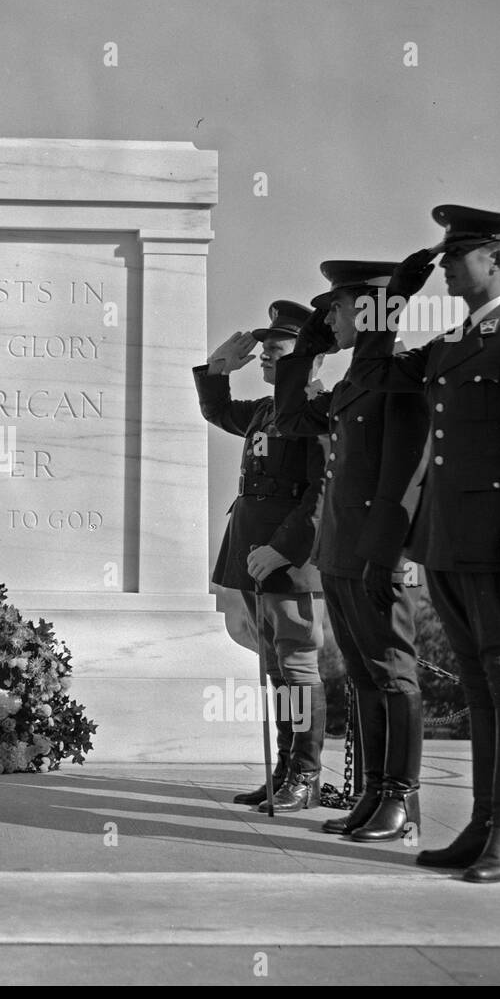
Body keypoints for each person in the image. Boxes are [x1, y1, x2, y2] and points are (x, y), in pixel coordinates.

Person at [348, 206, 500, 882]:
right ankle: (483, 823)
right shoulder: (451, 346)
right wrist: (393, 299)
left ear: (498, 261)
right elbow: (370, 376)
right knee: (480, 687)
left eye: (458, 255)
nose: (445, 266)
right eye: (444, 258)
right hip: (447, 544)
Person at [274, 261, 429, 841]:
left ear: (368, 310)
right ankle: (373, 792)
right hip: (339, 552)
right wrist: (305, 352)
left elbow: (408, 473)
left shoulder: (396, 374)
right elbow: (290, 417)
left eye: (334, 309)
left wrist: (390, 552)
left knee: (393, 674)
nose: (326, 318)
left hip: (377, 554)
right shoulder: (353, 383)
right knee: (366, 677)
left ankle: (401, 799)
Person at [194, 301, 329, 811]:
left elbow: (321, 492)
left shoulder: (315, 409)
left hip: (287, 560)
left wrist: (282, 550)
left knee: (296, 663)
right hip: (254, 556)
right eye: (266, 347)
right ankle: (286, 769)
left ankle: (307, 774)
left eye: (279, 347)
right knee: (276, 666)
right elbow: (218, 411)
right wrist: (217, 367)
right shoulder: (269, 410)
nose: (268, 354)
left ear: (310, 359)